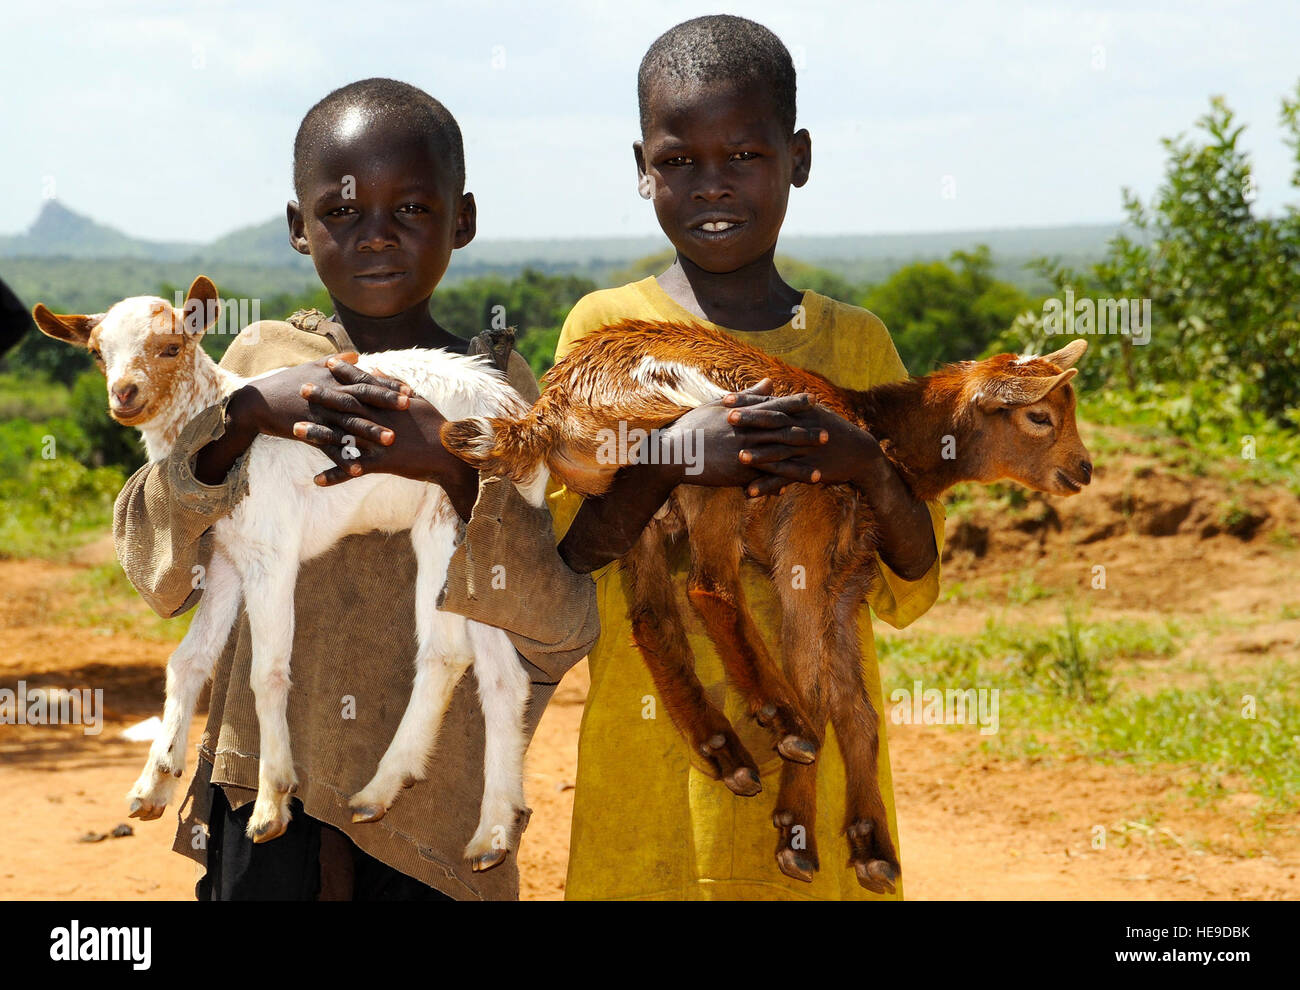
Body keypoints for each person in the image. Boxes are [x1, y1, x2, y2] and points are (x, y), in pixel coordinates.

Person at [113, 78, 598, 900]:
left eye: (410, 210)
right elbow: (160, 569)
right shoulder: (257, 361)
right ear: (299, 228)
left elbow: (556, 620)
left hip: (431, 826)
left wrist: (449, 464)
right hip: (263, 803)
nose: (376, 239)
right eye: (341, 213)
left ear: (463, 219)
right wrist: (241, 418)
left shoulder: (499, 388)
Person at [551, 15, 946, 900]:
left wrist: (864, 465)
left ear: (797, 156)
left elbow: (913, 577)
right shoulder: (604, 331)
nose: (711, 185)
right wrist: (668, 459)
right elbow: (572, 556)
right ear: (642, 168)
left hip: (825, 737)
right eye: (678, 160)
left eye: (745, 156)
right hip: (651, 761)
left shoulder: (856, 344)